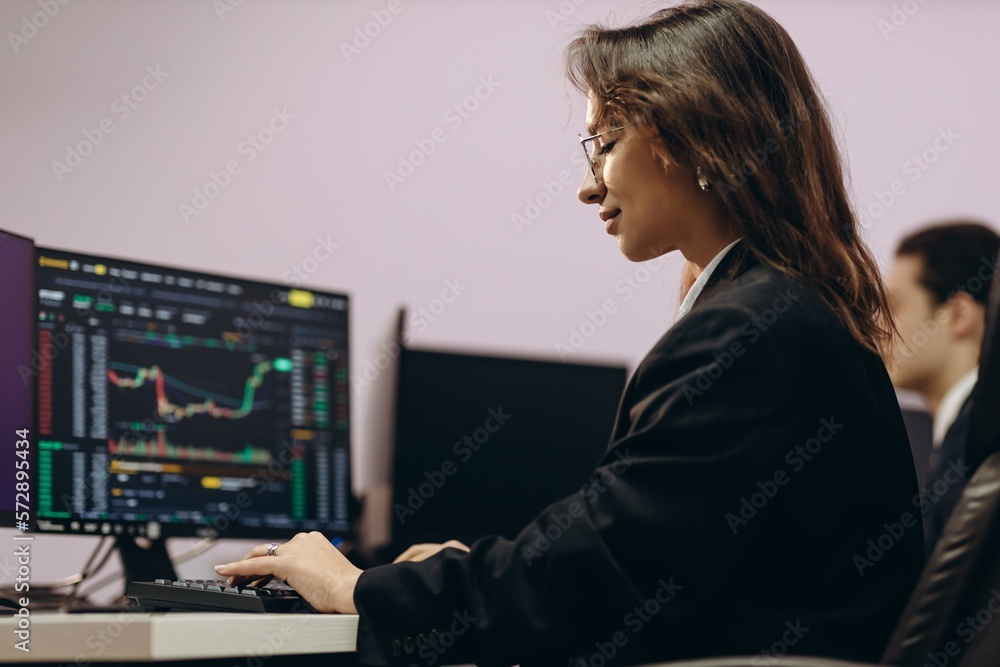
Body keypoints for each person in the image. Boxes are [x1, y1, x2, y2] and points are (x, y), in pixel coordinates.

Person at [214, 1, 924, 664]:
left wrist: (356, 587)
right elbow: (640, 559)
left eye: (605, 143)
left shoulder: (745, 331)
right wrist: (472, 570)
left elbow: (591, 585)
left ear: (700, 137)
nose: (588, 187)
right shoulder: (791, 308)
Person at [885, 222, 1000, 556]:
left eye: (895, 307)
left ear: (959, 314)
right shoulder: (962, 436)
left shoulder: (977, 445)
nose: (878, 326)